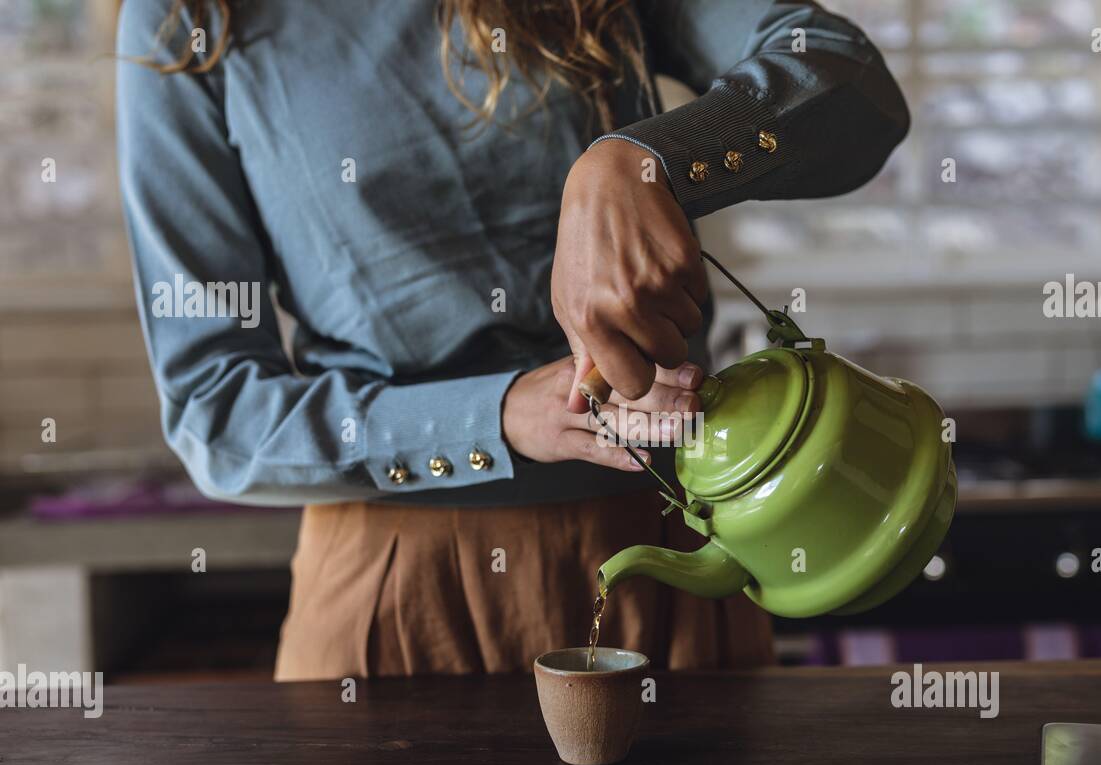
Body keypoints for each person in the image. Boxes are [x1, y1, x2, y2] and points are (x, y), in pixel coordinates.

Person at [115, 0, 908, 678]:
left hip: (669, 562)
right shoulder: (189, 22)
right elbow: (214, 415)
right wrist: (498, 417)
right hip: (396, 599)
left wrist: (646, 161)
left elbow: (854, 85)